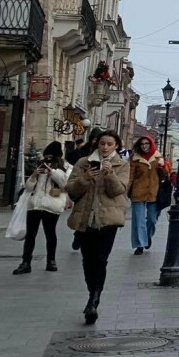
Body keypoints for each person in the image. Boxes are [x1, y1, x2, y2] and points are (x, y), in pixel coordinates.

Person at [66, 132, 131, 325]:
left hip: (108, 220)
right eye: (102, 143)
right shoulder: (83, 163)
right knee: (88, 260)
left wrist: (109, 173)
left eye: (110, 144)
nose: (105, 147)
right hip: (86, 218)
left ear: (116, 146)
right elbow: (71, 189)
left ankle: (94, 300)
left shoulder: (122, 165)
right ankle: (91, 292)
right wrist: (85, 178)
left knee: (101, 259)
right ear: (97, 144)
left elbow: (118, 190)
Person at [14, 142, 69, 275]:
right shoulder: (39, 165)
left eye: (50, 156)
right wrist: (34, 175)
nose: (47, 158)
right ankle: (25, 262)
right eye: (46, 156)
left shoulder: (66, 167)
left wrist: (53, 172)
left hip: (52, 205)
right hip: (35, 204)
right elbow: (28, 187)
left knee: (50, 234)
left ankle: (51, 261)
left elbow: (66, 184)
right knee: (30, 235)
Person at [127, 136, 166, 255]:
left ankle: (147, 236)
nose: (144, 146)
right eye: (142, 144)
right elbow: (130, 176)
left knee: (152, 219)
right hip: (138, 192)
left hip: (153, 193)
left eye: (147, 144)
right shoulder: (134, 158)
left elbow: (164, 176)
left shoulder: (157, 158)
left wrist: (162, 167)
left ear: (151, 144)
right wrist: (125, 191)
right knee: (138, 221)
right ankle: (140, 244)